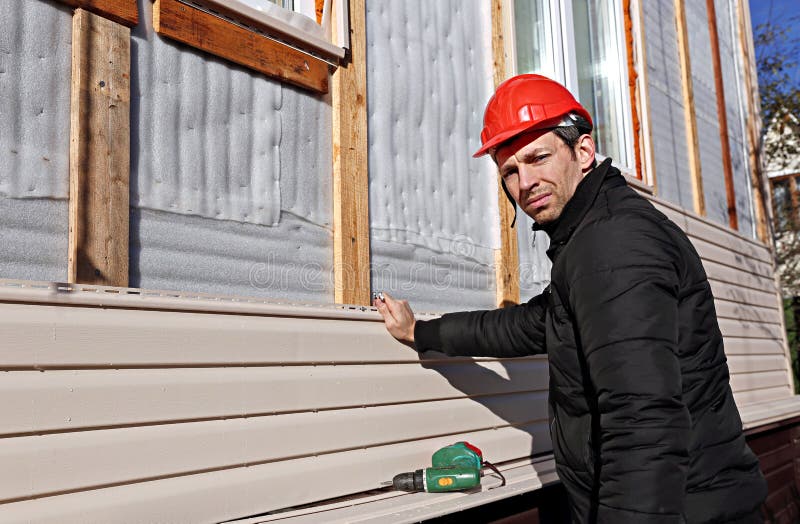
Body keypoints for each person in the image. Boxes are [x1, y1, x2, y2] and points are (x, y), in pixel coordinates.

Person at [374, 74, 767, 523]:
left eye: (538, 157)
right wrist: (422, 331)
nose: (525, 182)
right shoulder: (595, 237)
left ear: (582, 151)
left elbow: (641, 421)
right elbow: (533, 324)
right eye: (510, 171)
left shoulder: (612, 244)